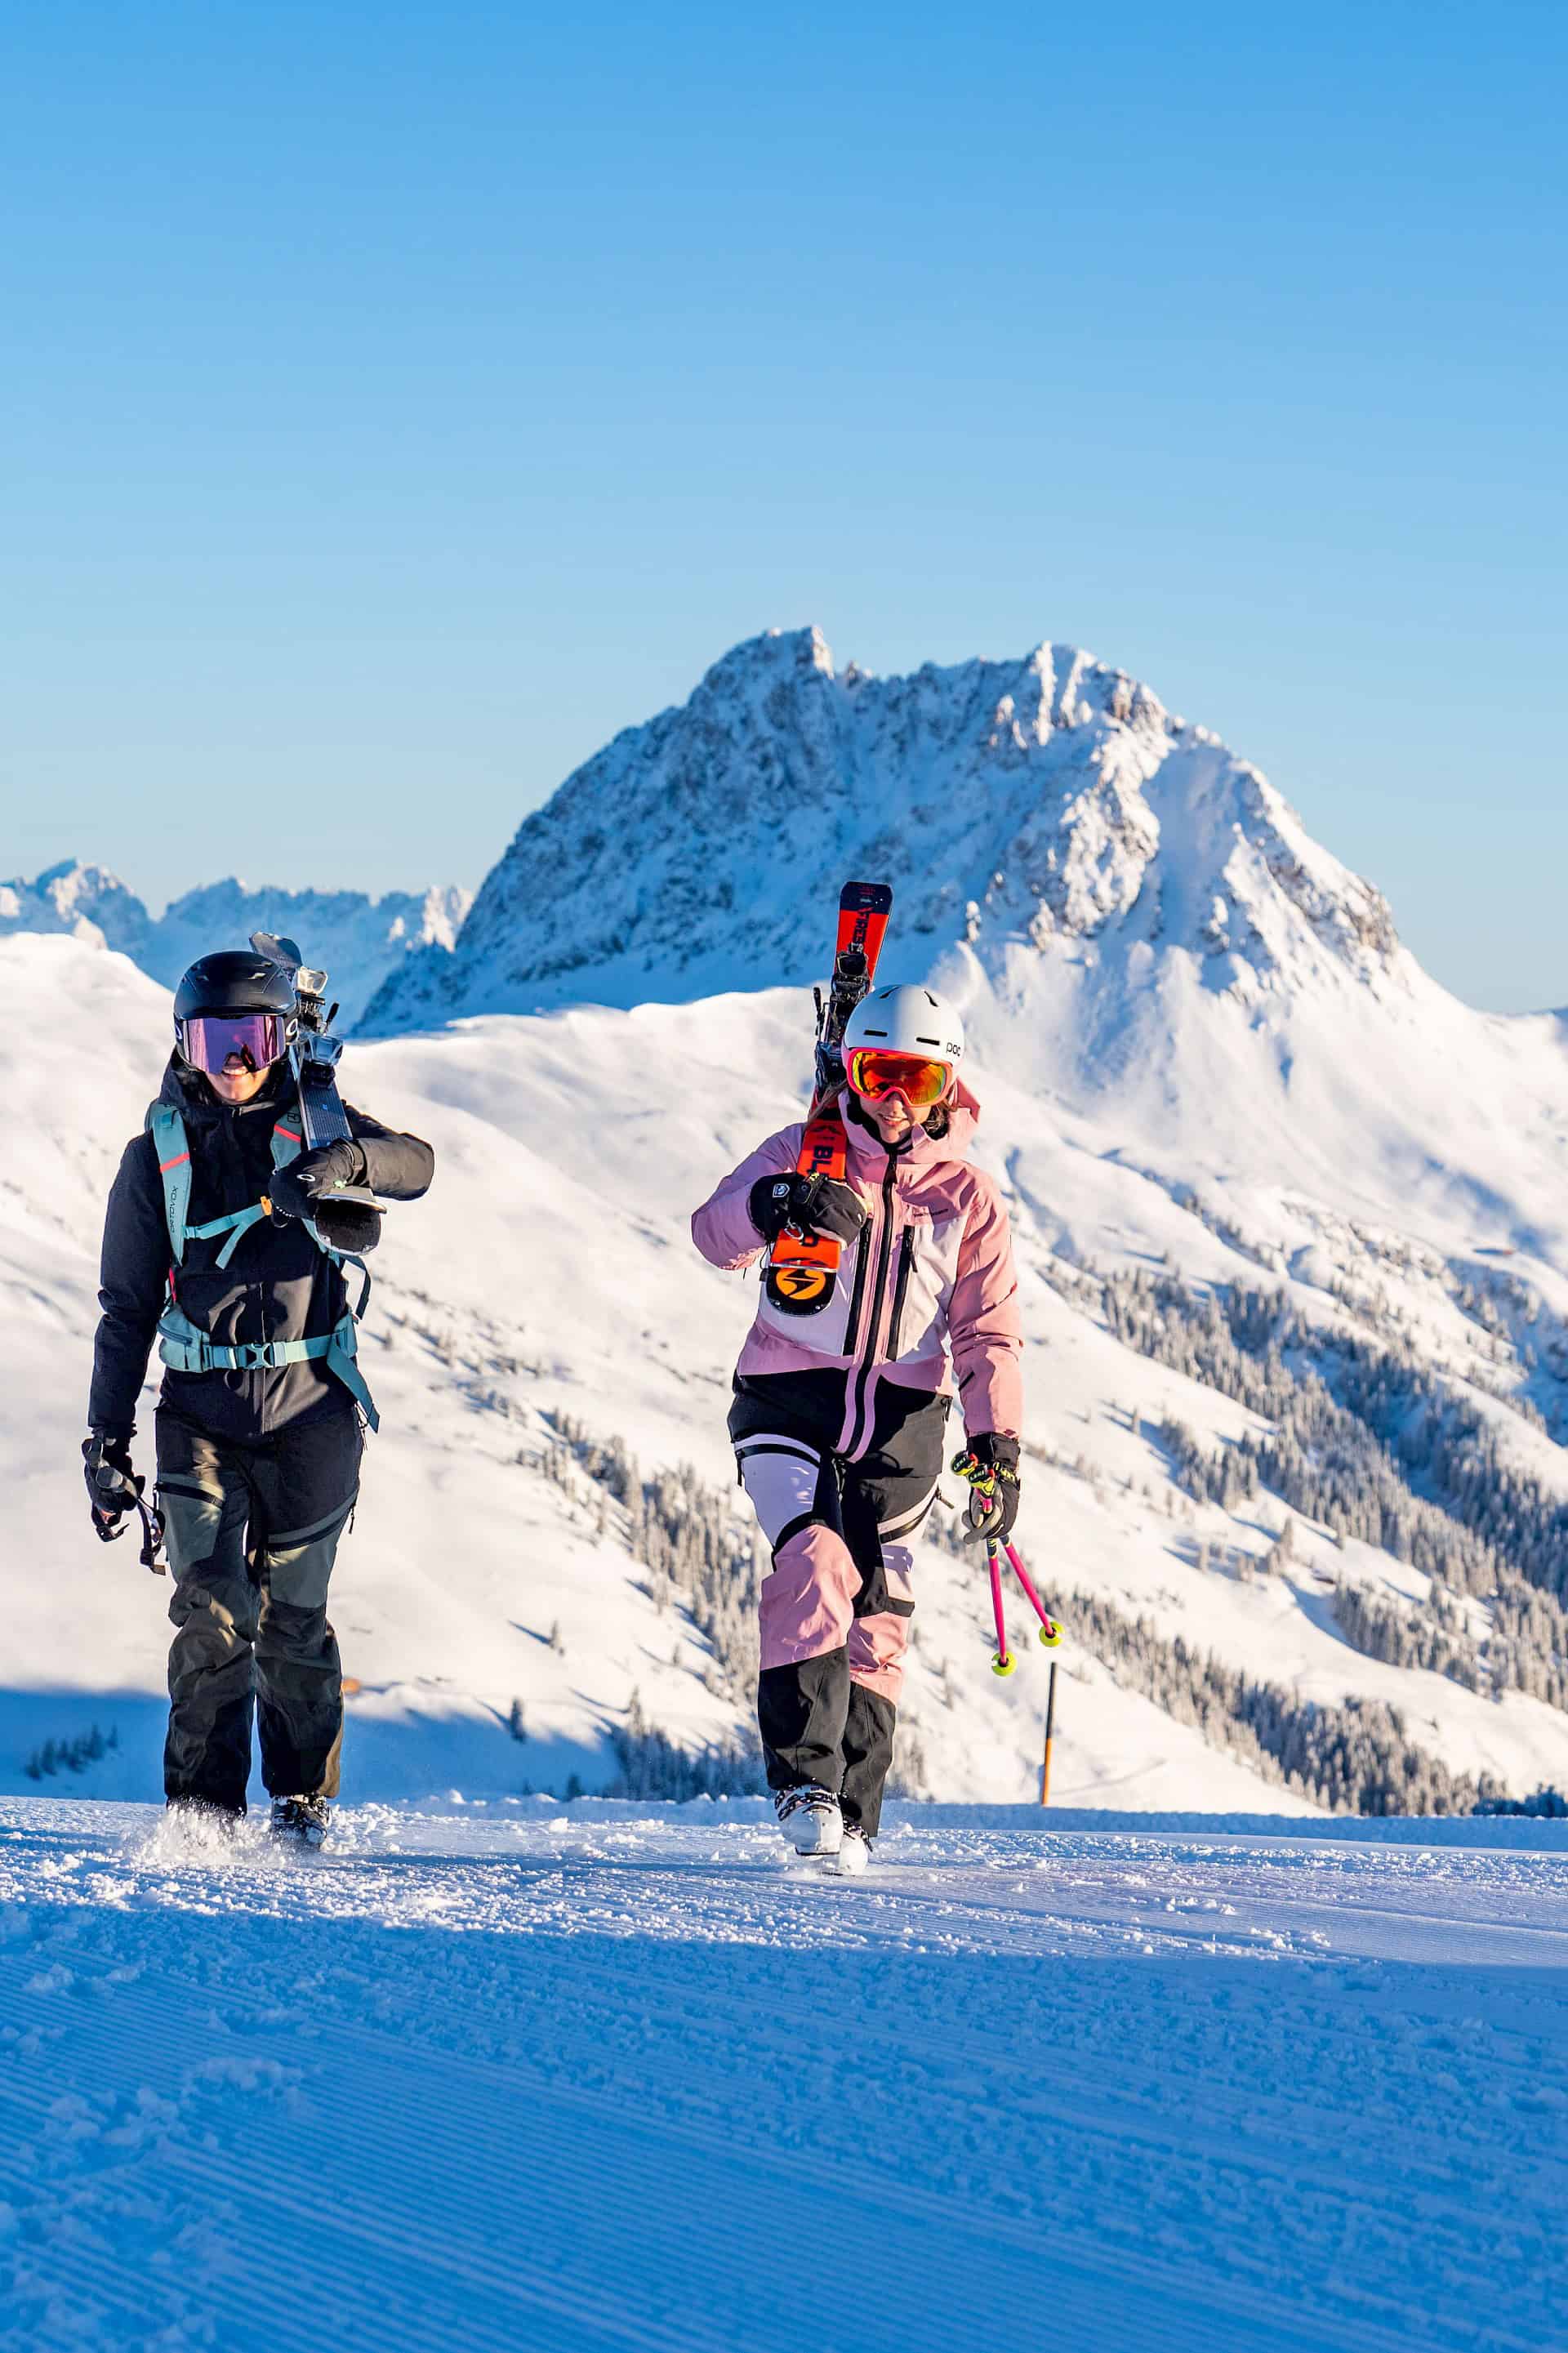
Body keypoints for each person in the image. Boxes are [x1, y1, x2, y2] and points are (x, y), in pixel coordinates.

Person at [83, 948, 434, 1846]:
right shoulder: (156, 1155)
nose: (235, 1061)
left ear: (282, 1040)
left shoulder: (316, 1123)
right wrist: (104, 1440)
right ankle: (201, 1811)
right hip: (197, 1418)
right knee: (210, 1612)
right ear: (184, 1044)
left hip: (313, 1414)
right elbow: (126, 1310)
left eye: (254, 1038)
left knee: (294, 1621)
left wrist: (343, 1162)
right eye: (215, 1040)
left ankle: (302, 1798)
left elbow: (416, 1164)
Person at [690, 983, 1022, 1873]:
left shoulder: (965, 1197)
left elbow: (985, 1329)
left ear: (949, 1083)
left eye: (917, 1075)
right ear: (851, 1069)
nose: (896, 1098)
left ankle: (854, 1812)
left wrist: (997, 1446)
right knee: (813, 1560)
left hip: (905, 1423)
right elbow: (712, 1233)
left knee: (879, 1611)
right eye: (880, 1072)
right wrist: (776, 1203)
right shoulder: (800, 1152)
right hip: (785, 1397)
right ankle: (803, 1782)